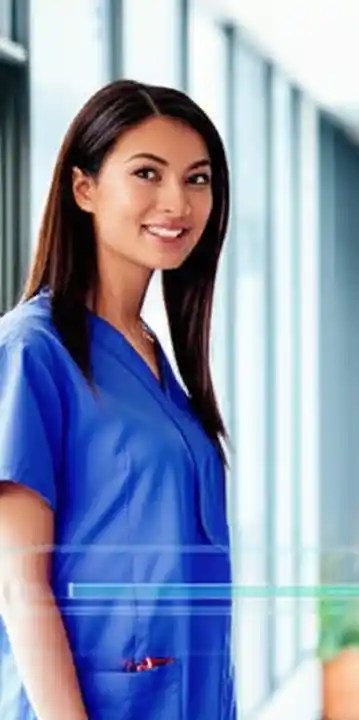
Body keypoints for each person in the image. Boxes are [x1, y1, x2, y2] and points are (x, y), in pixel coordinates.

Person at [0, 80, 234, 720]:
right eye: (147, 174)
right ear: (84, 189)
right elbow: (19, 587)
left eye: (197, 178)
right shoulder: (32, 351)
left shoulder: (157, 359)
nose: (176, 202)